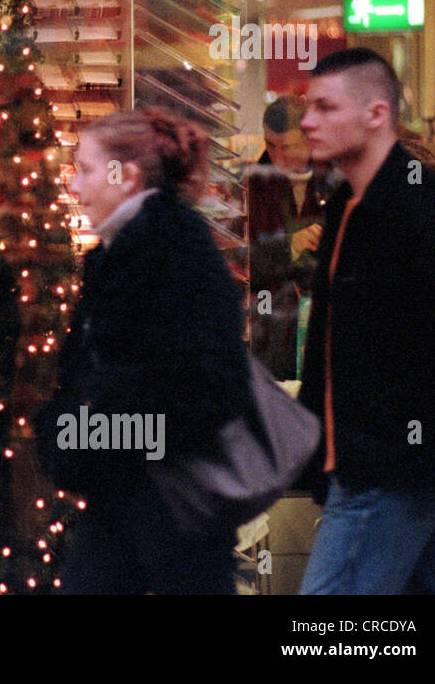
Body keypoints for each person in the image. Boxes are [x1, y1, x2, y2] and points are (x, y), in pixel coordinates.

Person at [36, 108, 254, 594]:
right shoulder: (126, 251)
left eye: (86, 170)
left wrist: (94, 425)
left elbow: (206, 383)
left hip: (173, 503)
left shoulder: (167, 253)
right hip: (137, 497)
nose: (75, 187)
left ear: (126, 176)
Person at [296, 47, 435, 595]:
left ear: (375, 113)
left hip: (389, 468)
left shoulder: (427, 212)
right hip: (378, 463)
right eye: (307, 106)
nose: (307, 121)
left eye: (325, 107)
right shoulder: (348, 205)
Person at [245, 94, 332, 380]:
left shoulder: (337, 179)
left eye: (288, 146)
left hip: (326, 324)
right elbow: (242, 262)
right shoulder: (252, 185)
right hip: (271, 330)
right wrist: (290, 246)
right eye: (270, 145)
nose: (277, 157)